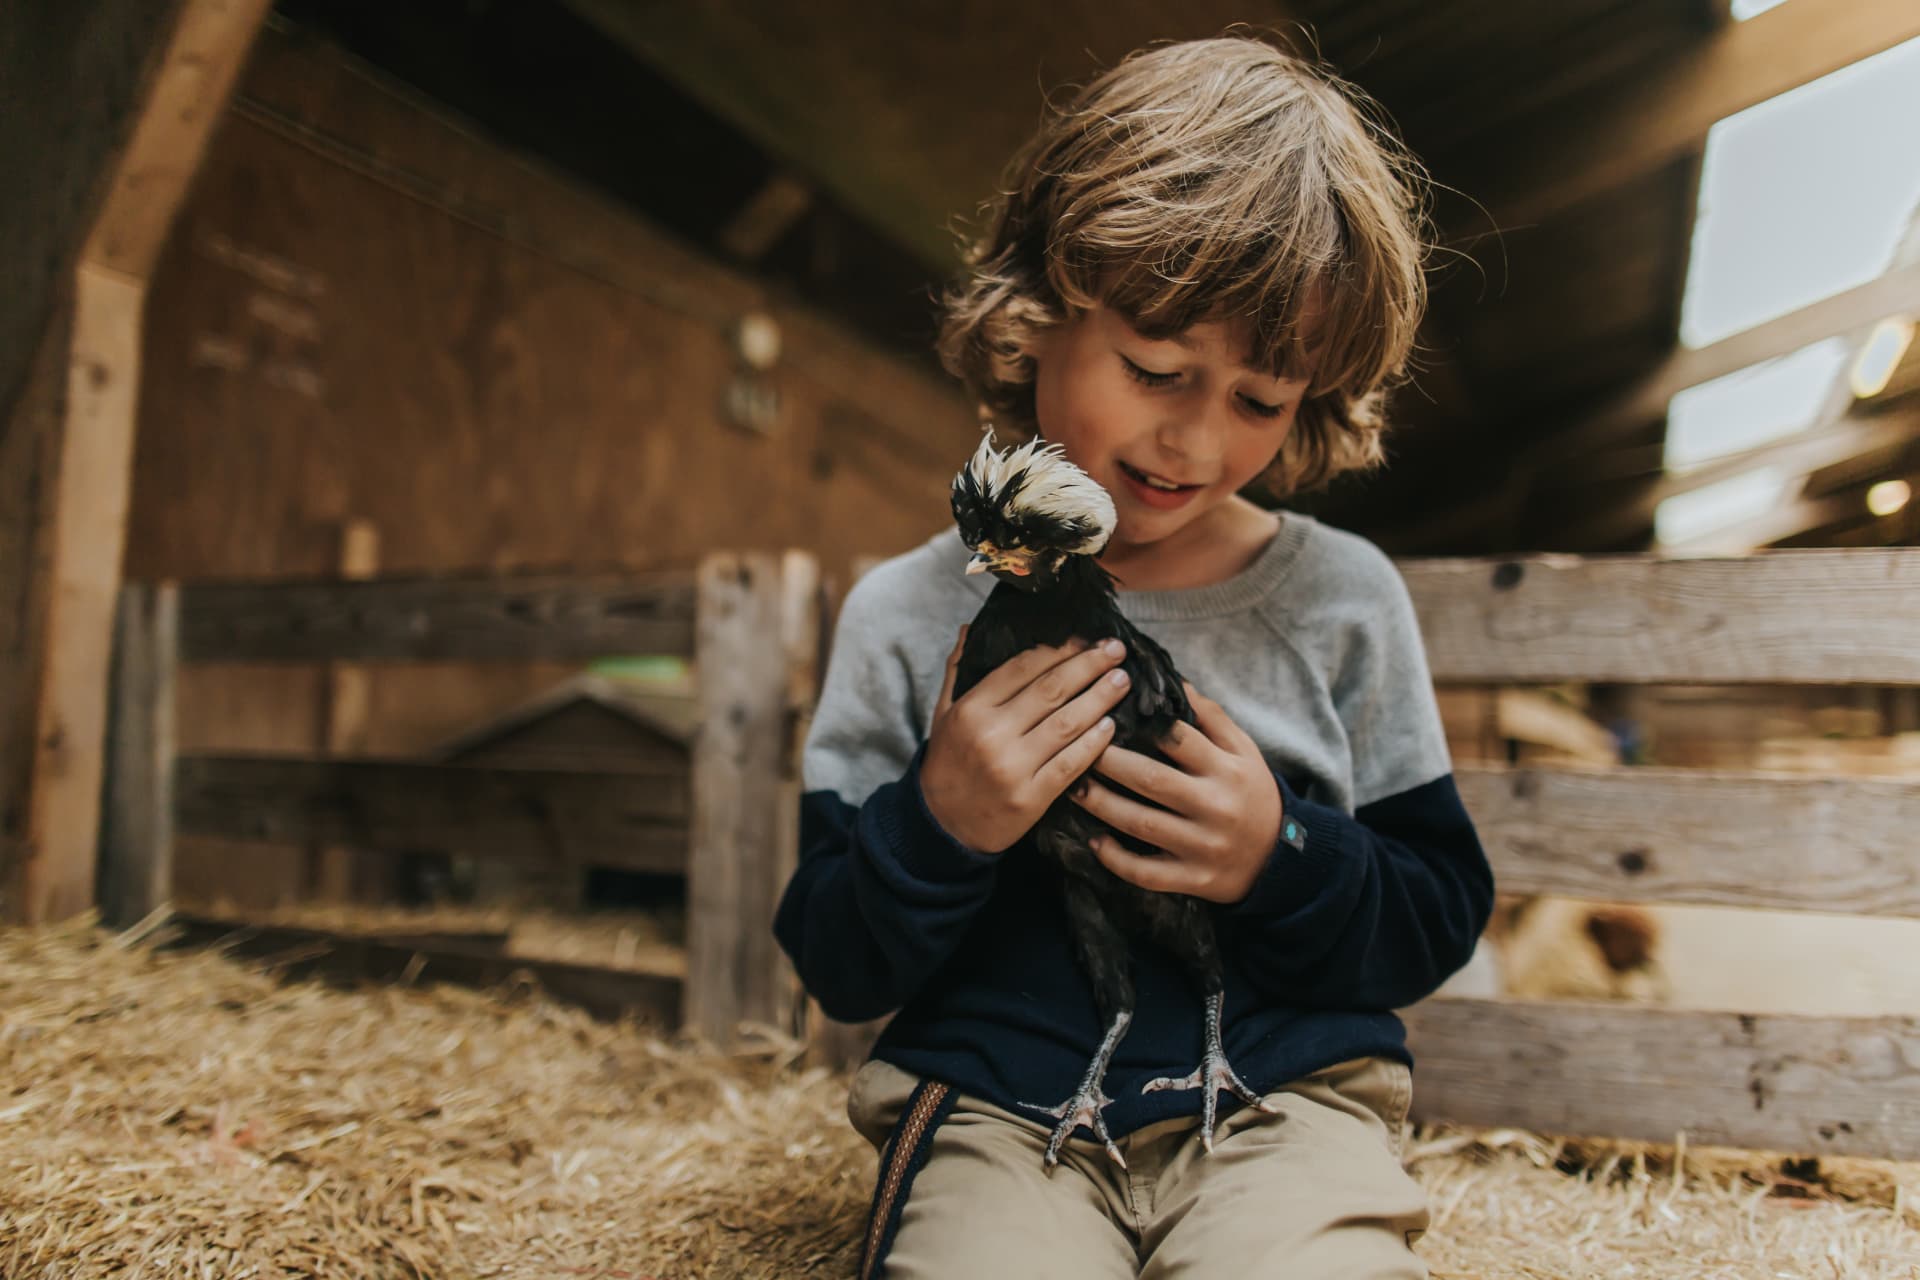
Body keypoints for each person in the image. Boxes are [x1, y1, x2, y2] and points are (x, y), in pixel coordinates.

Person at [773, 33, 1493, 1279]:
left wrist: (1282, 856)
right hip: (999, 1111)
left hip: (1287, 1108)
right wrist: (940, 818)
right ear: (1038, 319)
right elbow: (838, 961)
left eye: (1261, 400)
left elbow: (1434, 913)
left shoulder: (1337, 598)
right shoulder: (904, 614)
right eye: (1158, 368)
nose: (1196, 438)